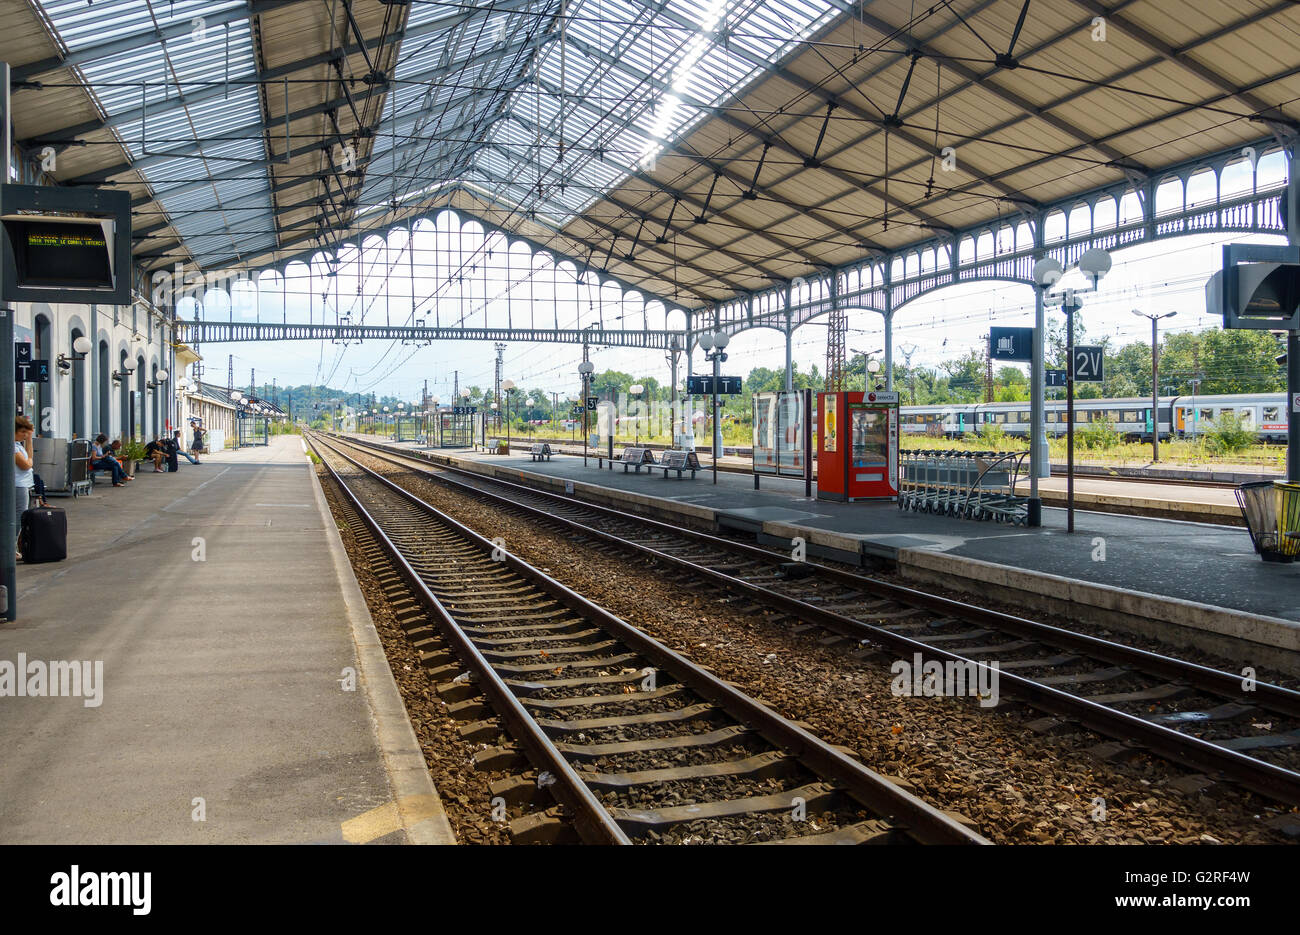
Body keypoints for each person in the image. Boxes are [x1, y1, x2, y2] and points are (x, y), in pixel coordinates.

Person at [15, 416, 34, 521]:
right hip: (18, 484)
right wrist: (30, 461)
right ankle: (15, 536)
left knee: (22, 513)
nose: (25, 435)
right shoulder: (12, 447)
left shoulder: (18, 445)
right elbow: (26, 465)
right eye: (22, 431)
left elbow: (28, 459)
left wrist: (29, 440)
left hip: (22, 483)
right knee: (20, 515)